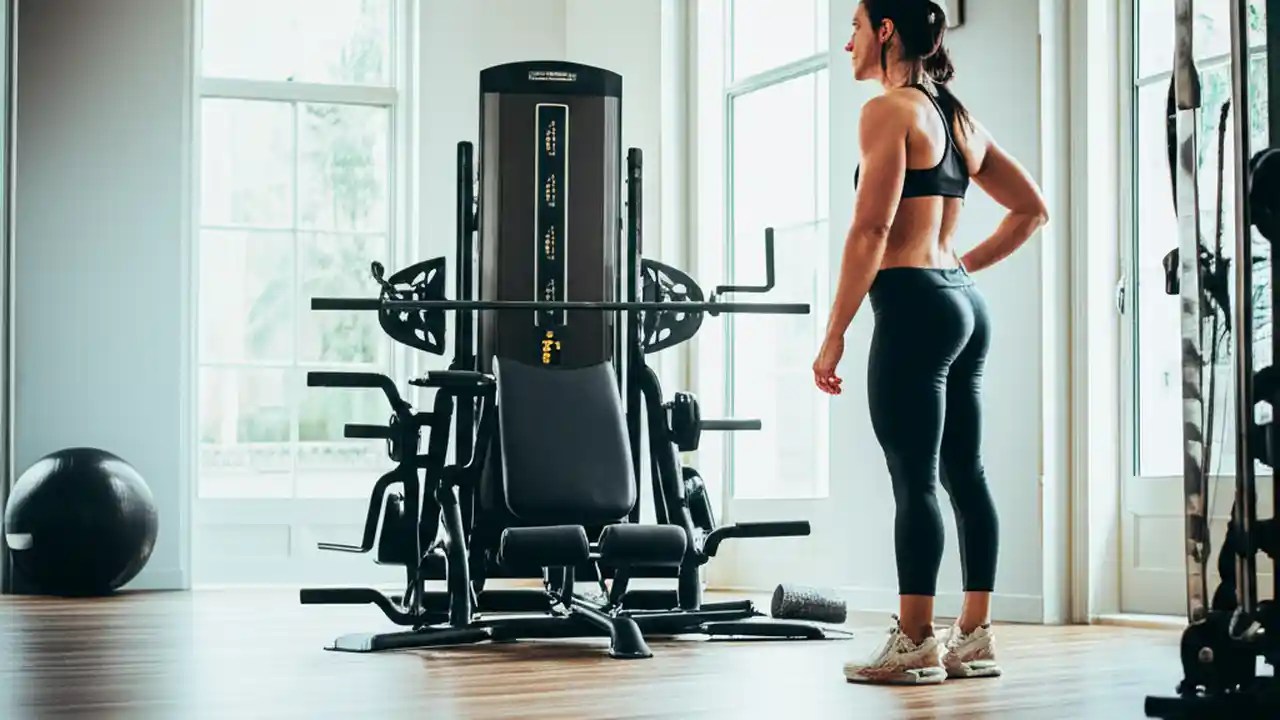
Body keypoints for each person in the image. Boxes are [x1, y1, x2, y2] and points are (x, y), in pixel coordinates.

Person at [812, 0, 1049, 685]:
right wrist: (961, 269)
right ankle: (973, 635)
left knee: (914, 478)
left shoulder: (887, 112)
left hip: (913, 303)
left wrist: (834, 334)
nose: (848, 38)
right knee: (964, 474)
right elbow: (1032, 210)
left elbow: (871, 231)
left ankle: (915, 640)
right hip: (962, 305)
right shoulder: (955, 114)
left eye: (855, 25)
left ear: (886, 31)